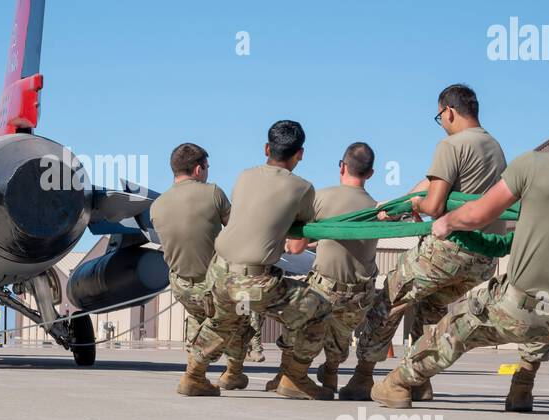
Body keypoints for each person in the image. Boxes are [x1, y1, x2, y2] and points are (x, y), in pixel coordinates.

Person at [372, 98, 549, 413]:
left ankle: (397, 383)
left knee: (457, 325)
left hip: (520, 310)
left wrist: (446, 222)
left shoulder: (534, 164)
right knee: (544, 311)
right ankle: (522, 387)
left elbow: (479, 214)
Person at [353, 84, 506, 401]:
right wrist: (393, 208)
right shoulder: (494, 146)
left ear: (448, 111)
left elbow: (433, 203)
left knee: (391, 297)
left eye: (440, 117)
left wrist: (412, 208)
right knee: (429, 308)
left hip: (451, 247)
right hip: (483, 257)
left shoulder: (451, 144)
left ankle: (362, 376)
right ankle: (417, 381)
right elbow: (428, 186)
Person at [187, 120, 335, 399]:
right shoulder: (303, 187)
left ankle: (193, 376)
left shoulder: (244, 175)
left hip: (218, 269)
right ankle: (294, 377)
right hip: (252, 278)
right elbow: (298, 239)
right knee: (319, 309)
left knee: (220, 323)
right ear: (300, 153)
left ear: (266, 148)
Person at [150, 142, 255, 390]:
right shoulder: (213, 193)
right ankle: (229, 373)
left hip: (182, 285)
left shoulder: (157, 206)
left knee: (199, 320)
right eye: (207, 167)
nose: (208, 172)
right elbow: (236, 228)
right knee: (240, 320)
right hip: (214, 285)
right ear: (198, 170)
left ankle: (200, 373)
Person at [301, 143, 383, 399]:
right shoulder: (376, 208)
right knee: (341, 337)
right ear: (370, 173)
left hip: (324, 288)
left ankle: (292, 373)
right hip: (359, 294)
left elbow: (295, 244)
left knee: (302, 325)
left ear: (342, 166)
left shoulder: (321, 198)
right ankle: (331, 372)